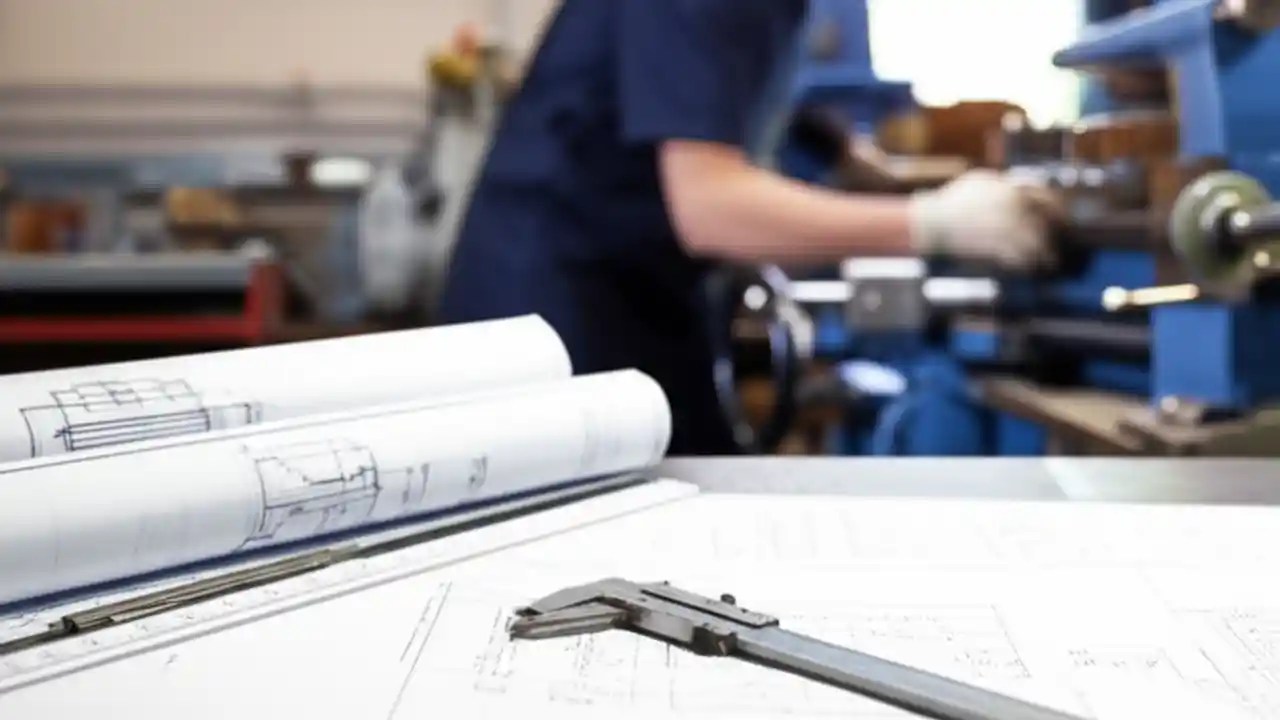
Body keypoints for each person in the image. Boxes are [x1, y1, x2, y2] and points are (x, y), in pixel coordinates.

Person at [438, 0, 1059, 455]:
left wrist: (840, 152)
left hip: (638, 296)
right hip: (557, 320)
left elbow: (708, 89)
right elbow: (710, 205)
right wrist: (933, 224)